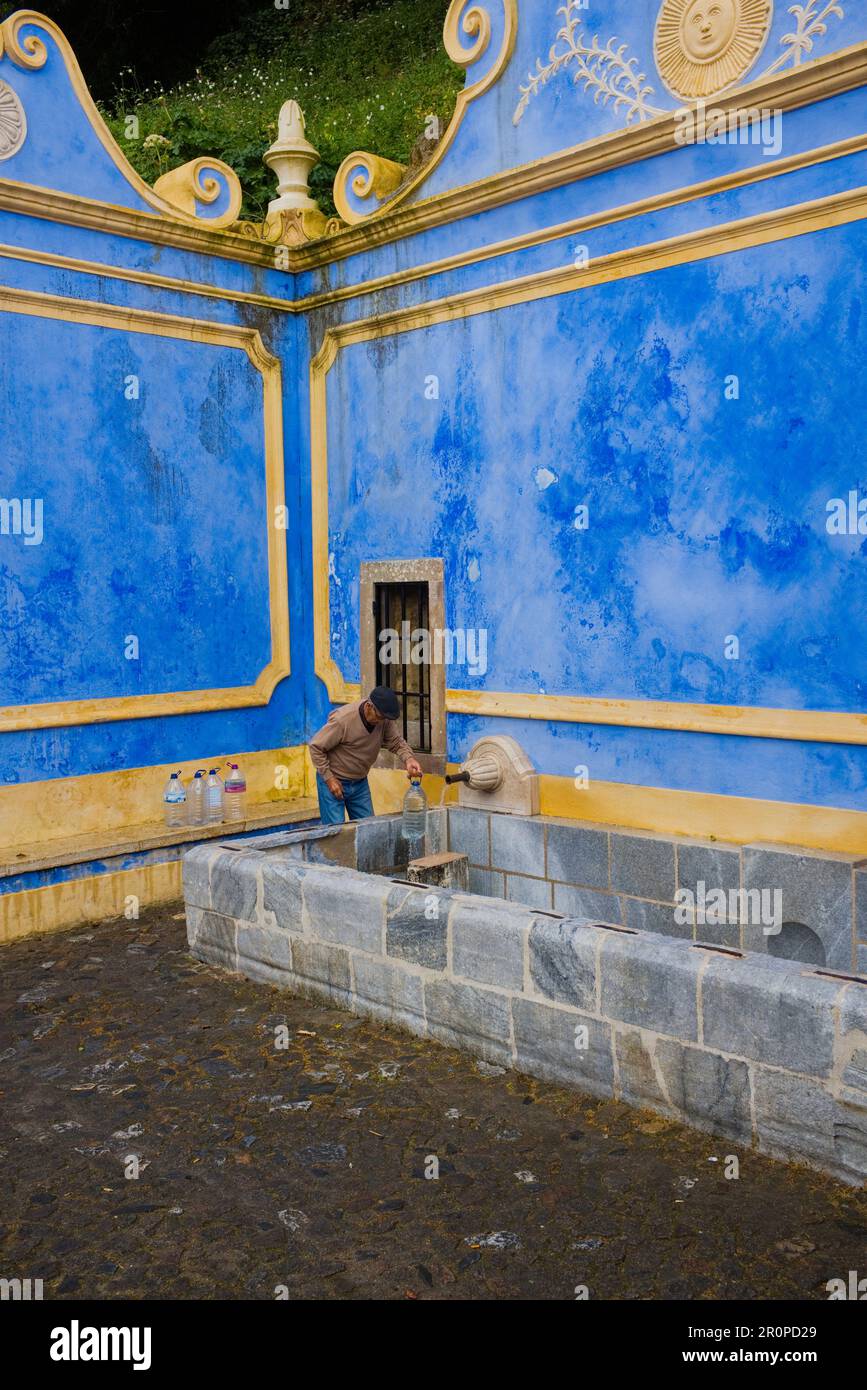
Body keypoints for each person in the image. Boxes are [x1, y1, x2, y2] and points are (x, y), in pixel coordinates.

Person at [308, 686, 423, 823]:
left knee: (368, 829)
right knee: (336, 835)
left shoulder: (384, 719)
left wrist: (409, 759)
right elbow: (315, 746)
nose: (382, 722)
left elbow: (396, 742)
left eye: (385, 718)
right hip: (333, 780)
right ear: (369, 706)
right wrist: (329, 779)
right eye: (380, 717)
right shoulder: (343, 720)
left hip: (359, 782)